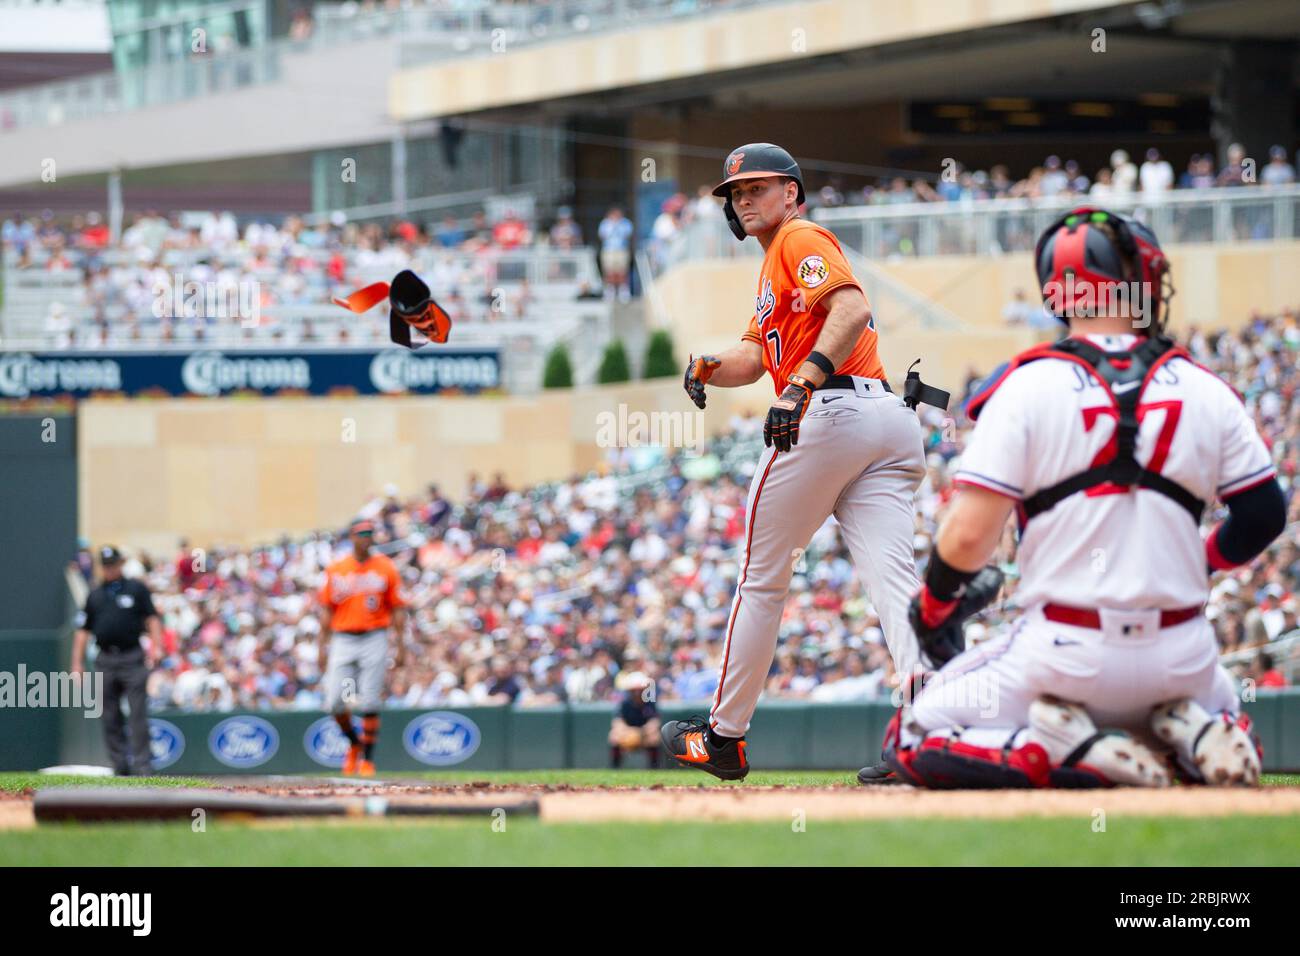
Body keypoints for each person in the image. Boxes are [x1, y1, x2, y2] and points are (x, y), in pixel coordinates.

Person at [883, 206, 1286, 789]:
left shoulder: (1025, 384)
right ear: (1132, 281)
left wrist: (936, 605)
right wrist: (1200, 561)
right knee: (1197, 704)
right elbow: (1263, 514)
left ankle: (1063, 750)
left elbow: (970, 537)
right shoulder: (1205, 387)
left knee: (912, 733)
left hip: (1062, 653)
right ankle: (1196, 732)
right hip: (1183, 654)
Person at [661, 143, 941, 780]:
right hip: (886, 424)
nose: (744, 200)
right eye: (736, 193)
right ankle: (933, 736)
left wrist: (800, 385)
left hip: (830, 416)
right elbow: (756, 357)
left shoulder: (798, 237)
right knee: (894, 583)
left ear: (791, 191)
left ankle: (724, 737)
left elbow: (852, 309)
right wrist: (710, 364)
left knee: (762, 577)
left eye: (757, 188)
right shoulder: (773, 269)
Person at [317, 520, 407, 777]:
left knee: (369, 698)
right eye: (361, 534)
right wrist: (321, 647)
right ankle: (354, 745)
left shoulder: (385, 567)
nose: (366, 538)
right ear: (352, 538)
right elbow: (326, 608)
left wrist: (401, 645)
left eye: (369, 534)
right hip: (343, 637)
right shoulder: (337, 568)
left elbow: (398, 608)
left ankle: (368, 759)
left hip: (374, 635)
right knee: (335, 701)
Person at [72, 547, 163, 776]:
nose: (110, 568)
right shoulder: (95, 594)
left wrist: (157, 646)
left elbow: (152, 618)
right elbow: (82, 631)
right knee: (109, 715)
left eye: (113, 564)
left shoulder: (136, 589)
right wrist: (77, 664)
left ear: (121, 564)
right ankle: (120, 766)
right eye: (106, 565)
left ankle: (143, 766)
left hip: (132, 656)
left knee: (137, 713)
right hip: (105, 659)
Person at [608, 671, 660, 768]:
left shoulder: (650, 703)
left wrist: (641, 732)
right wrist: (630, 732)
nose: (637, 693)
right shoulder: (625, 704)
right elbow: (617, 722)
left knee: (655, 737)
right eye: (634, 690)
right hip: (627, 734)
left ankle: (654, 768)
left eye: (640, 690)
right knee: (613, 736)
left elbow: (655, 722)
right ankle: (615, 768)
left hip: (644, 735)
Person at [597, 206, 633, 302]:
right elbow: (602, 235)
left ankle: (623, 291)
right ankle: (610, 291)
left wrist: (617, 226)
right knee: (609, 271)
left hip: (621, 249)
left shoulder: (625, 223)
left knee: (622, 271)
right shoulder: (605, 223)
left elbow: (627, 234)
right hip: (609, 250)